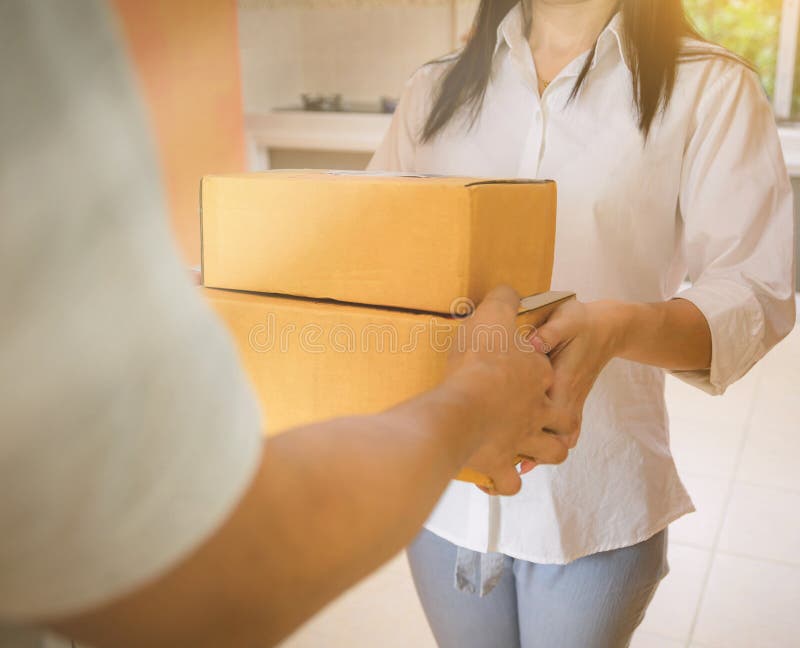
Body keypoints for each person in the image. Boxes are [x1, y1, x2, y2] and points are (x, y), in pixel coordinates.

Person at [0, 3, 577, 648]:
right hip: (439, 462)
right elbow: (195, 575)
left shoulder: (705, 86)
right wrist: (475, 403)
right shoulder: (434, 86)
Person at [368, 0, 797, 646]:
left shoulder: (709, 87)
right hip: (445, 492)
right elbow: (370, 260)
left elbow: (756, 290)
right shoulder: (434, 88)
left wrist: (619, 327)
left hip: (596, 496)